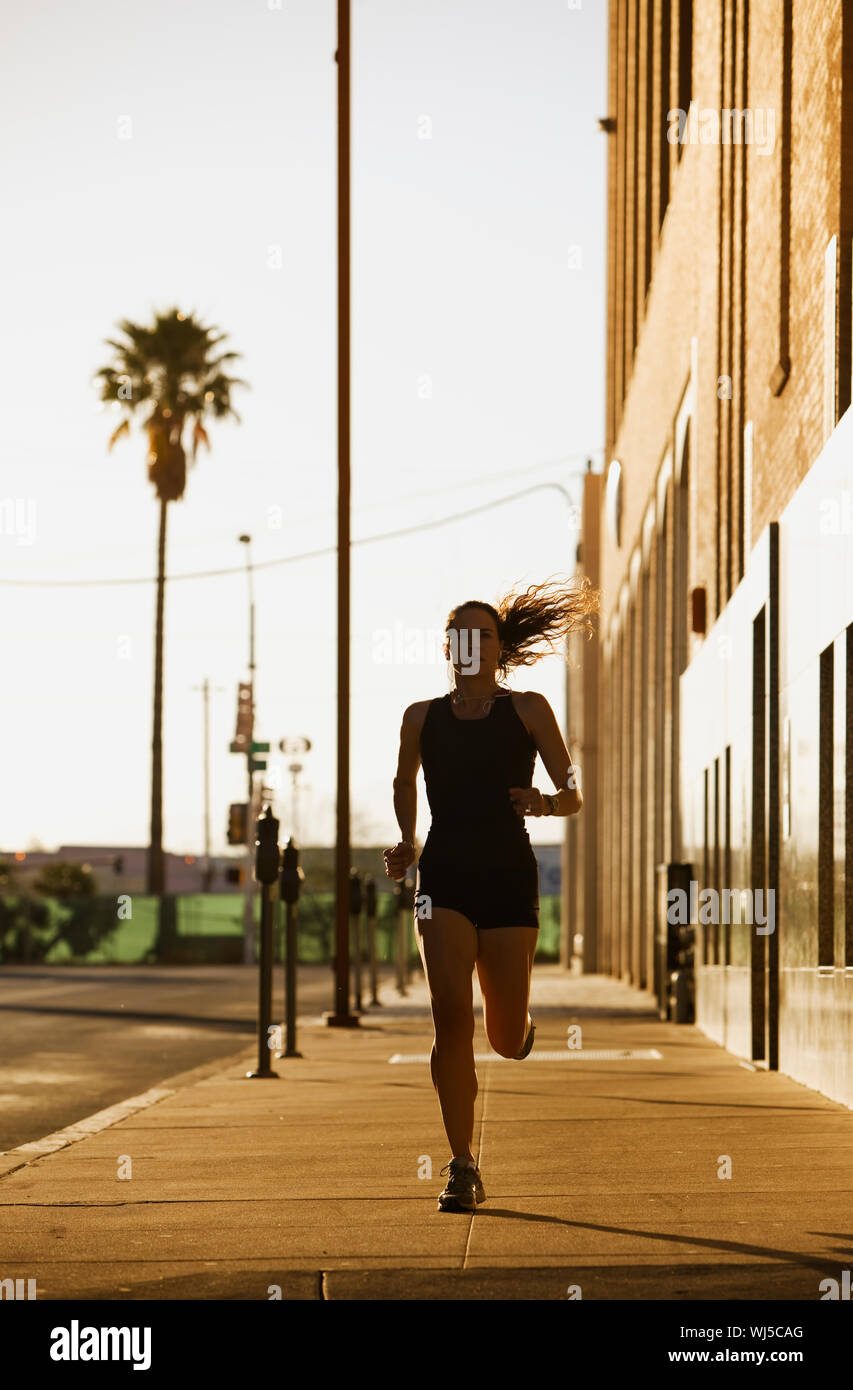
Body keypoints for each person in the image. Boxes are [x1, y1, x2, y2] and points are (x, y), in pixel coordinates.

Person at [383, 576, 599, 1213]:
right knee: (450, 1016)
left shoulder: (529, 709)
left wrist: (544, 803)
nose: (470, 644)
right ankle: (461, 1164)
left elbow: (574, 793)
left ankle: (518, 1027)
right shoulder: (420, 717)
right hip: (443, 878)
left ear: (498, 647)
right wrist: (406, 842)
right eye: (460, 635)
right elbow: (403, 780)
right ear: (447, 647)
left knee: (501, 1038)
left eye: (482, 634)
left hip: (509, 876)